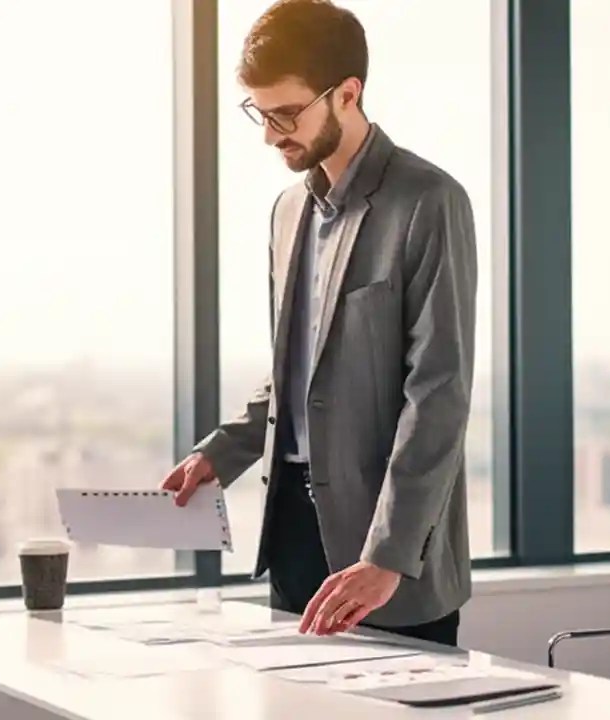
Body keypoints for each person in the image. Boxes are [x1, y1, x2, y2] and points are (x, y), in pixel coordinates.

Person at [161, 0, 476, 647]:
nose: (271, 135)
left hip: (384, 544)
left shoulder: (428, 201)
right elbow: (299, 372)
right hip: (292, 534)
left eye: (286, 114)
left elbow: (438, 393)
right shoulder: (286, 212)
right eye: (261, 114)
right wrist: (222, 451)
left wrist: (388, 554)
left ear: (348, 94)